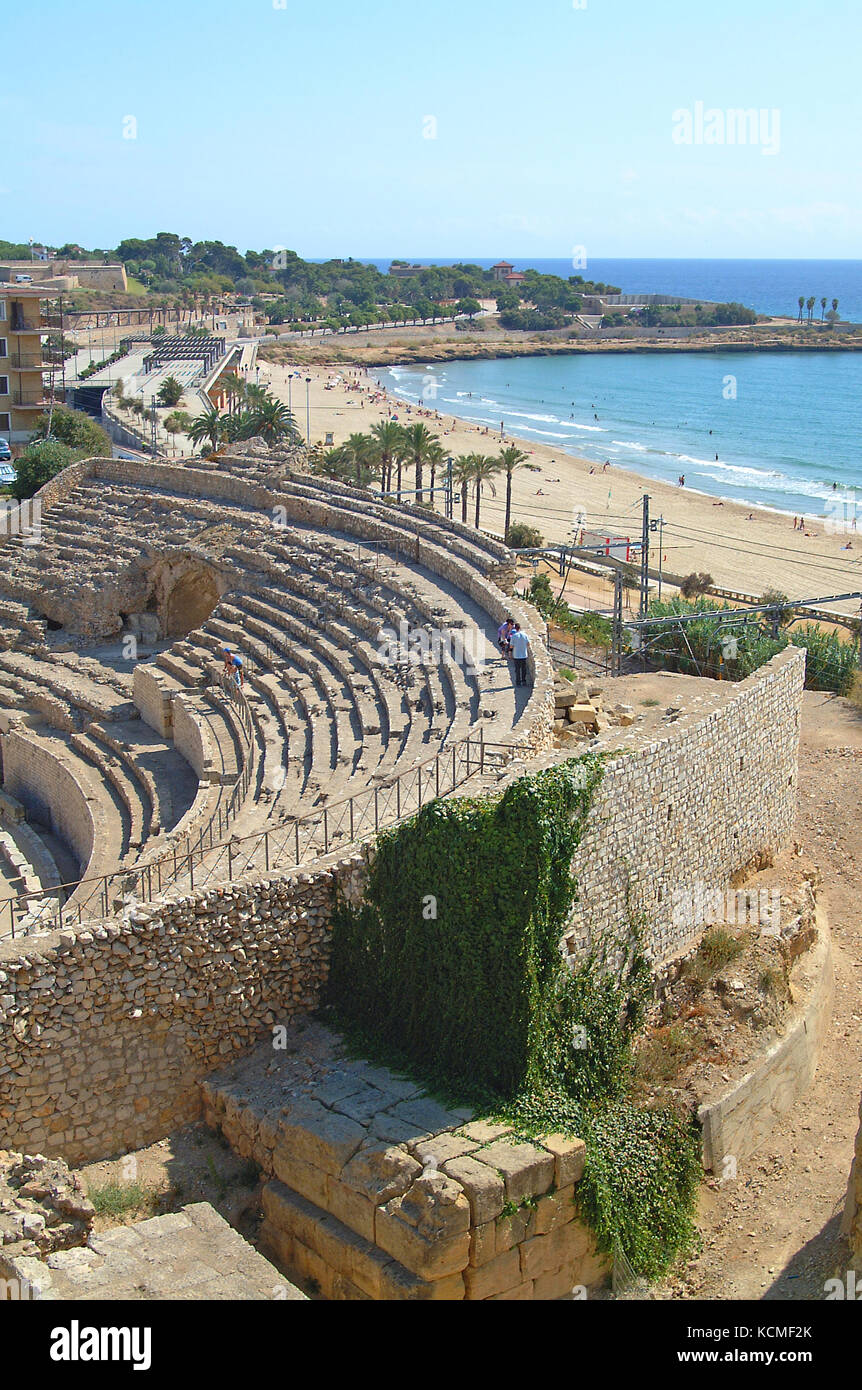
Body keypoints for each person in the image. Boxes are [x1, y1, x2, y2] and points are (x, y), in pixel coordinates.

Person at [510, 623, 531, 687]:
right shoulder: (525, 635)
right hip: (524, 655)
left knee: (517, 669)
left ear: (515, 628)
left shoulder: (514, 636)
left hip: (516, 655)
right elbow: (528, 644)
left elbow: (511, 646)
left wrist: (511, 653)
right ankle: (524, 681)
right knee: (523, 669)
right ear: (520, 627)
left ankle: (518, 682)